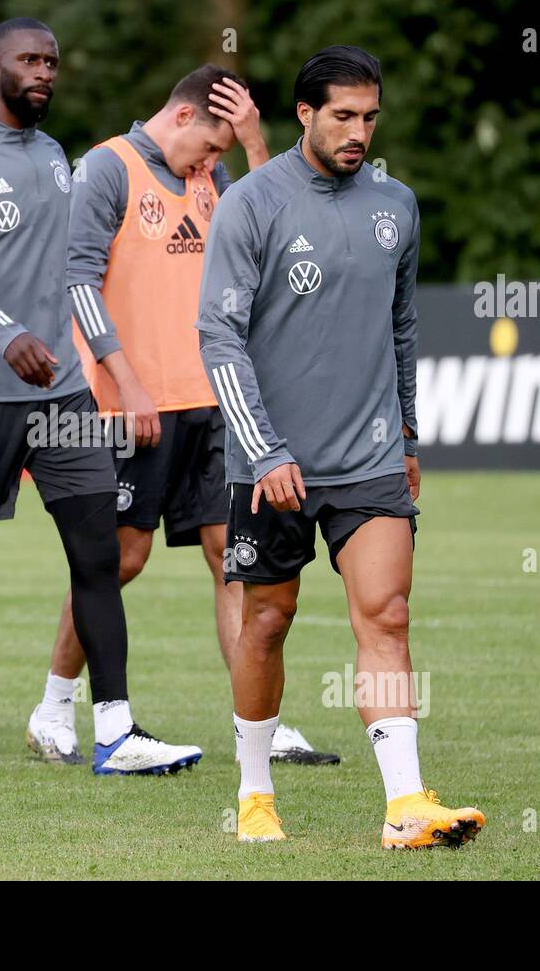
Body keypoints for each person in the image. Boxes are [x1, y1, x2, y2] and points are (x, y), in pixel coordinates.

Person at [197, 45, 485, 846]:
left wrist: (408, 432)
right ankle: (256, 795)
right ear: (305, 115)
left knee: (387, 615)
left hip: (369, 458)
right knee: (266, 620)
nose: (359, 132)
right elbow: (218, 335)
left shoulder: (397, 204)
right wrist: (266, 451)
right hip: (271, 461)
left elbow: (401, 327)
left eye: (370, 117)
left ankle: (405, 806)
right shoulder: (251, 203)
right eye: (344, 116)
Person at [0, 17, 201, 775]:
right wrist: (7, 334)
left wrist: (110, 362)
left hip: (63, 396)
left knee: (98, 556)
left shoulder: (57, 159)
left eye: (52, 62)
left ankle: (114, 730)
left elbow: (77, 273)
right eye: (29, 60)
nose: (43, 72)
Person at [27, 64, 340, 769]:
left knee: (235, 561)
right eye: (213, 148)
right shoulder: (107, 169)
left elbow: (273, 234)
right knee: (120, 559)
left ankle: (257, 724)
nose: (213, 164)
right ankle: (53, 707)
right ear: (182, 117)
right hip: (133, 404)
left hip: (213, 401)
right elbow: (76, 282)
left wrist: (259, 145)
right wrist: (128, 382)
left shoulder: (215, 177)